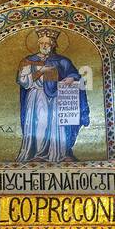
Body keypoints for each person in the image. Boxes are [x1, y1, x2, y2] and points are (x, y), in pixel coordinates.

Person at [16, 29, 89, 162]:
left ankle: (61, 153)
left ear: (53, 45)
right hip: (37, 96)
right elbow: (22, 80)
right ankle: (38, 154)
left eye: (47, 43)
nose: (44, 46)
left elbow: (74, 74)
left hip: (57, 96)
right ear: (38, 44)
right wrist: (41, 71)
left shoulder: (62, 60)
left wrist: (72, 78)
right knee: (40, 123)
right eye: (42, 43)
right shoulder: (28, 61)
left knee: (58, 124)